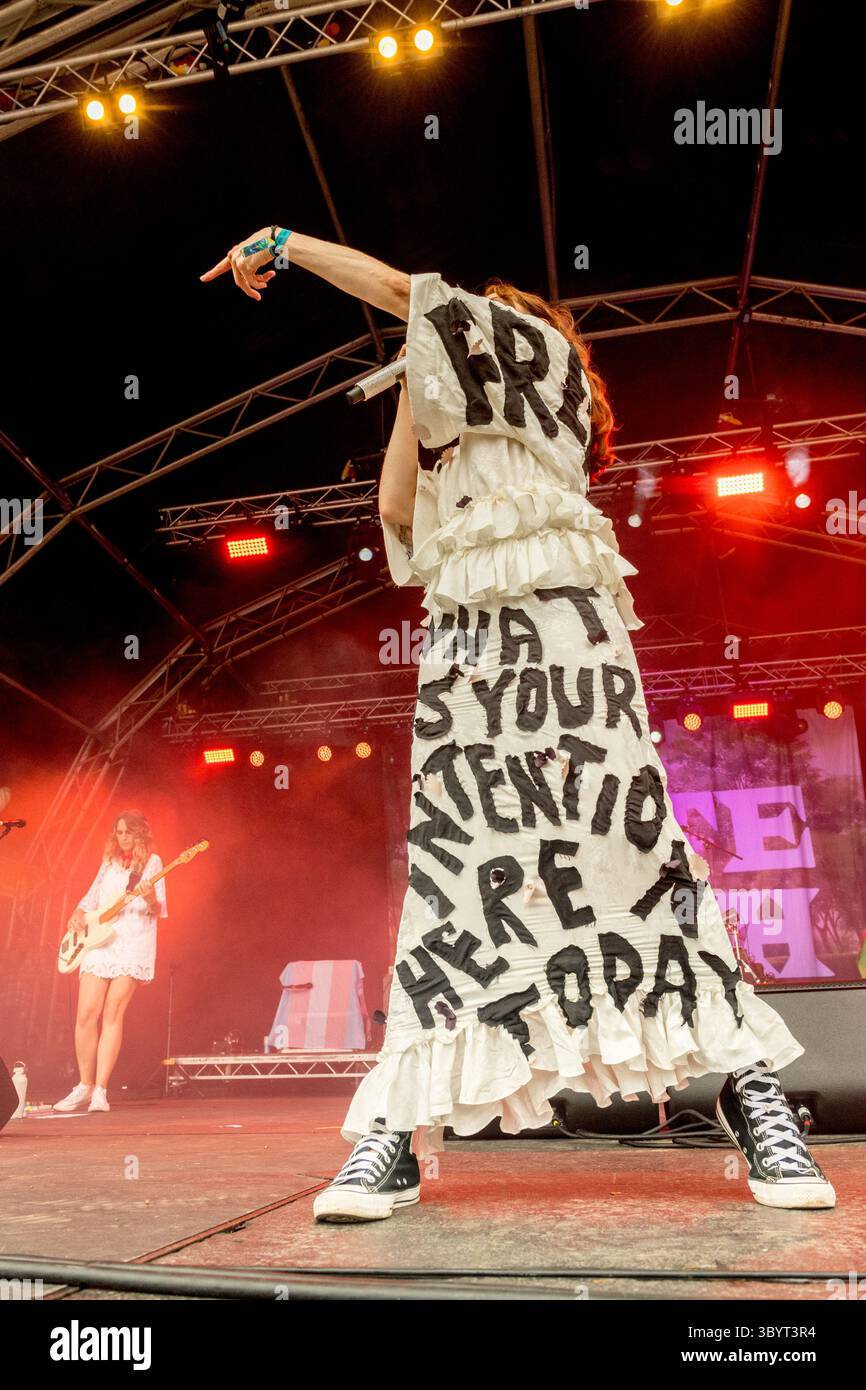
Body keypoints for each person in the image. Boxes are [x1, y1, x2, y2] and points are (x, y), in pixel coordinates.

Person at [202, 229, 836, 1217]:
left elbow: (394, 286)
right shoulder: (463, 441)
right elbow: (395, 505)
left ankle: (756, 1100)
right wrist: (414, 393)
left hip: (564, 639)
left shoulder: (532, 365)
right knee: (453, 877)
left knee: (631, 855)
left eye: (451, 333)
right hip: (468, 654)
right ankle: (391, 1135)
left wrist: (286, 242)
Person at [53, 811, 167, 1114]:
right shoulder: (109, 863)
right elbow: (90, 898)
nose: (123, 838)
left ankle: (101, 1090)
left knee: (112, 1012)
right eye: (119, 832)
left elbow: (158, 909)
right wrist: (78, 912)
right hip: (100, 942)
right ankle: (84, 1085)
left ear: (141, 834)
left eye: (129, 832)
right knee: (86, 1013)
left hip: (132, 942)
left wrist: (149, 895)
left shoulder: (153, 863)